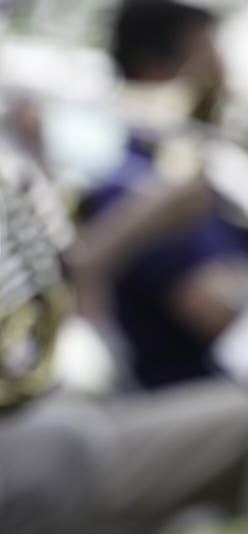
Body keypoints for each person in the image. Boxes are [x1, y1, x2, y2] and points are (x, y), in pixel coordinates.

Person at [70, 0, 248, 389]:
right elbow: (217, 313)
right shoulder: (138, 188)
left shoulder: (189, 178)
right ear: (155, 71)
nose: (227, 82)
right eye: (210, 62)